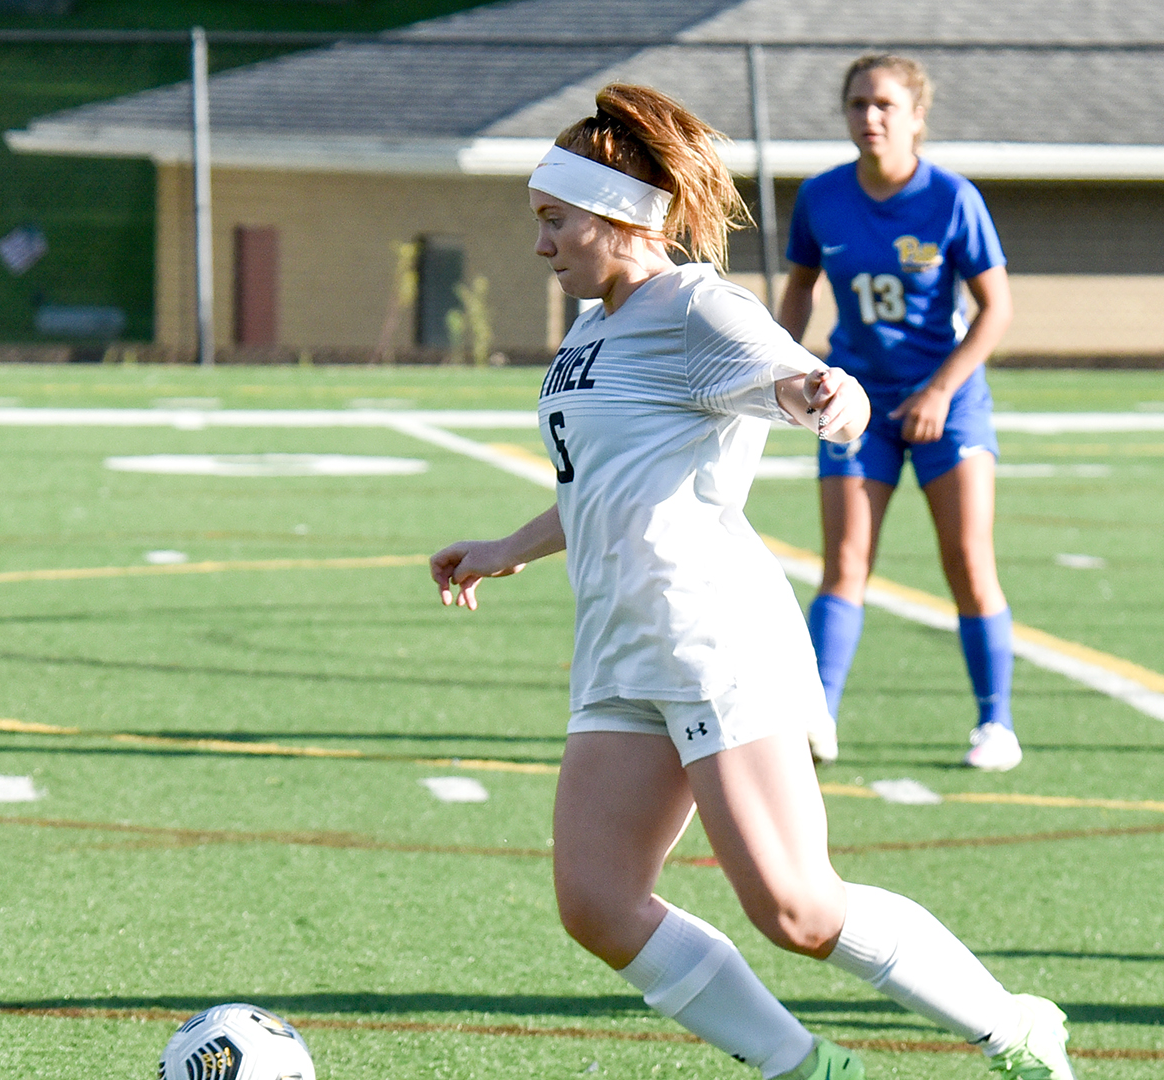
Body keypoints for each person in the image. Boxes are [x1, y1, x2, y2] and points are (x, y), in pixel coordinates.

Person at [431, 84, 1074, 1080]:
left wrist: (829, 396)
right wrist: (506, 547)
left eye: (555, 220)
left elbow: (800, 379)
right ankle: (807, 1066)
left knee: (798, 909)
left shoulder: (694, 306)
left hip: (712, 638)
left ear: (620, 214)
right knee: (597, 901)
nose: (541, 242)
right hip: (618, 647)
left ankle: (1013, 1026)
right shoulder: (591, 332)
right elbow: (600, 486)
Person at [777, 55, 1021, 771]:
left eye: (885, 104)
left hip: (949, 403)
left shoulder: (952, 199)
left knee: (968, 560)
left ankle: (995, 724)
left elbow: (996, 308)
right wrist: (786, 368)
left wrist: (941, 391)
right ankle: (816, 718)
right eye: (857, 104)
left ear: (917, 117)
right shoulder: (822, 198)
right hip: (858, 406)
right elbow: (799, 288)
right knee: (845, 562)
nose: (869, 117)